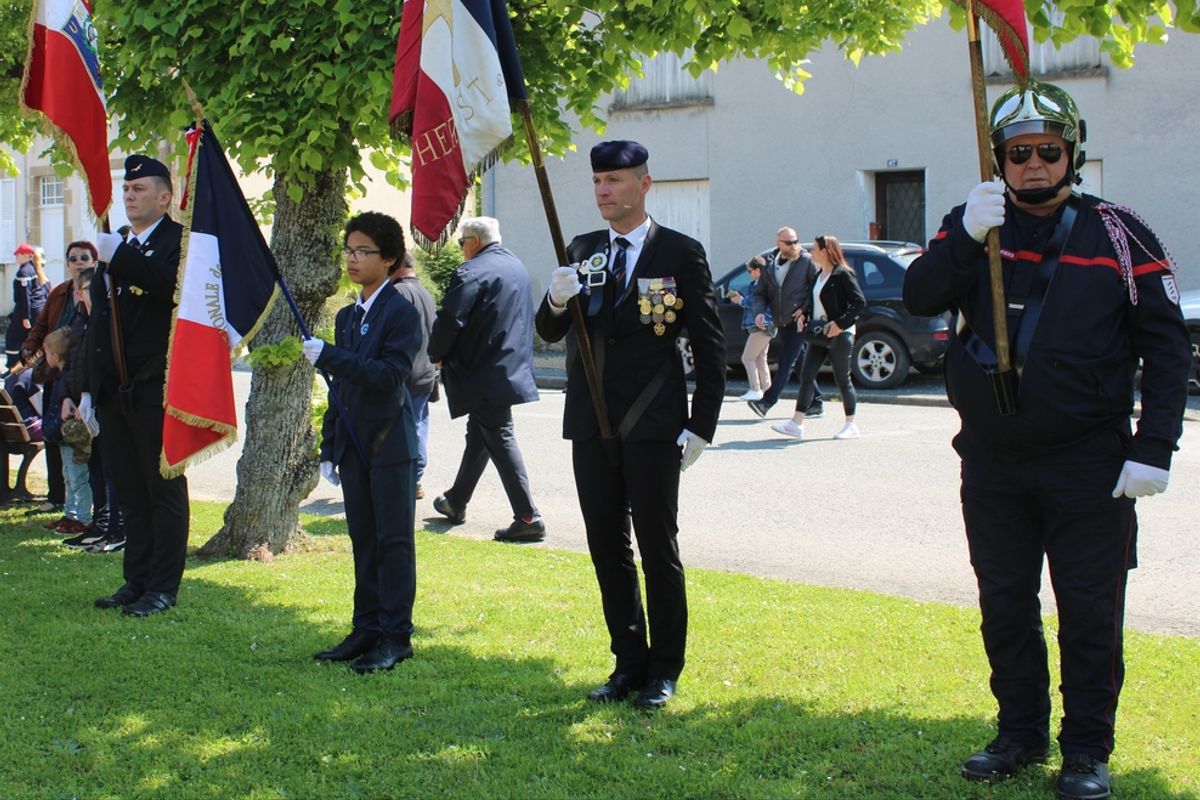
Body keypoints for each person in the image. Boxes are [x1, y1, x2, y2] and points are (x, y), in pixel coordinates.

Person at [903, 79, 1190, 800]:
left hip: (1088, 464)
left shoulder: (1121, 234)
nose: (1034, 165)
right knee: (1004, 603)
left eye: (1049, 152)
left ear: (1074, 153)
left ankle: (1087, 751)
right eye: (1019, 152)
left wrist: (1154, 446)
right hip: (993, 462)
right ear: (999, 158)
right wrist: (966, 236)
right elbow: (918, 296)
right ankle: (1020, 733)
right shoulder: (975, 225)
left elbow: (1167, 349)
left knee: (1090, 613)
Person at [535, 140, 725, 709]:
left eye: (615, 181)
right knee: (605, 547)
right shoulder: (583, 250)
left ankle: (664, 668)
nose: (602, 191)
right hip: (590, 425)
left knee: (656, 547)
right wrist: (552, 297)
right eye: (597, 181)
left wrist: (702, 425)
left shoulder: (679, 253)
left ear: (645, 184)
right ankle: (627, 661)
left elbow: (711, 348)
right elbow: (549, 331)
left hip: (653, 423)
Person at [304, 211, 421, 673]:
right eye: (348, 250)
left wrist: (332, 357)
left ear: (389, 258)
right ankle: (366, 626)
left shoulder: (402, 312)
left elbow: (390, 377)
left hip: (390, 444)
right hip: (354, 444)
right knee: (363, 539)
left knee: (393, 542)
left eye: (363, 251)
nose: (352, 259)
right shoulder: (350, 315)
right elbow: (342, 389)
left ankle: (396, 635)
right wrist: (331, 445)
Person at [87, 155, 189, 618]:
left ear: (165, 197)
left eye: (140, 190)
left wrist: (121, 258)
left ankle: (163, 586)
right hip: (115, 390)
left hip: (157, 386)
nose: (129, 197)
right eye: (126, 191)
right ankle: (137, 579)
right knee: (128, 488)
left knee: (161, 488)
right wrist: (90, 389)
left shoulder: (180, 243)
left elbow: (175, 288)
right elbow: (101, 323)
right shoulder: (121, 243)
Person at [428, 216, 544, 543]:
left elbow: (451, 319)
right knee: (481, 434)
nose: (461, 249)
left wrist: (435, 353)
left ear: (474, 242)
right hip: (510, 366)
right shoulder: (515, 267)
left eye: (461, 242)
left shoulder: (472, 272)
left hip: (482, 371)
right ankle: (456, 500)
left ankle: (528, 516)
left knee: (498, 434)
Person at [18, 240, 98, 514]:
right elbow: (41, 326)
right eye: (73, 258)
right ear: (67, 264)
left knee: (82, 442)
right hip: (56, 374)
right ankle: (57, 496)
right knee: (54, 435)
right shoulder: (59, 292)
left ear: (94, 262)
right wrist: (30, 346)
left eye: (84, 258)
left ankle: (86, 506)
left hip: (84, 375)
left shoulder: (99, 292)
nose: (78, 262)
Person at [770, 235, 865, 441]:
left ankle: (850, 424)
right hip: (819, 332)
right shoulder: (818, 275)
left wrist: (839, 324)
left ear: (825, 251)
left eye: (814, 249)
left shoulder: (843, 275)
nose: (811, 252)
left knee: (842, 378)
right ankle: (796, 423)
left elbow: (859, 303)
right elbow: (814, 302)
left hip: (840, 334)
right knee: (807, 375)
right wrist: (804, 315)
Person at [746, 227, 823, 419]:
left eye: (796, 241)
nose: (794, 245)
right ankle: (817, 401)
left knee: (786, 361)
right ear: (779, 243)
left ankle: (767, 401)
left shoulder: (806, 262)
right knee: (800, 363)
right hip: (782, 320)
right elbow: (760, 295)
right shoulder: (770, 265)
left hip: (799, 321)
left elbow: (817, 288)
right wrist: (759, 313)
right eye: (789, 243)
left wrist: (805, 309)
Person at [390, 251, 436, 500]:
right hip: (425, 373)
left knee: (407, 429)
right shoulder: (425, 292)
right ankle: (415, 477)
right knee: (419, 426)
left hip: (407, 374)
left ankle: (412, 478)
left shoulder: (399, 294)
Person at [726, 257, 774, 401]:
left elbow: (754, 302)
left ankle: (755, 389)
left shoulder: (763, 284)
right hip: (765, 324)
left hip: (761, 324)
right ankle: (767, 391)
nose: (749, 273)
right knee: (760, 358)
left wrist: (740, 299)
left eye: (750, 271)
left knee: (747, 357)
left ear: (758, 270)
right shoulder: (762, 283)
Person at [6, 243, 49, 369]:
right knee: (31, 339)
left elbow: (25, 296)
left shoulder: (24, 272)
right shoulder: (34, 269)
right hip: (38, 310)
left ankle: (13, 367)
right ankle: (30, 366)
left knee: (13, 339)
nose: (16, 258)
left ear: (25, 256)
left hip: (27, 311)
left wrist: (25, 317)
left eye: (18, 255)